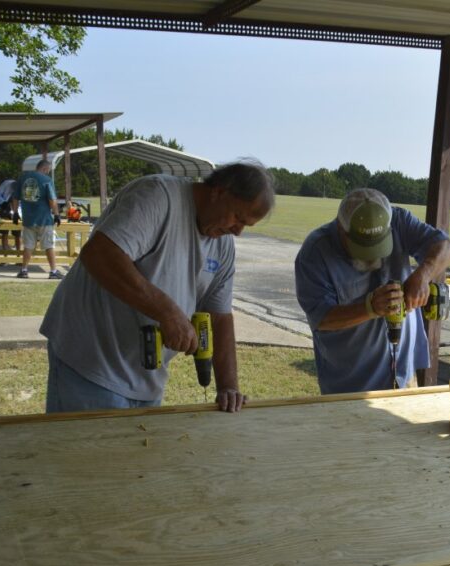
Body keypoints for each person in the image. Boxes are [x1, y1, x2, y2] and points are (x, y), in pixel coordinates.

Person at [39, 159, 275, 414]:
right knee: (90, 442)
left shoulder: (223, 245)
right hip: (90, 363)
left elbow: (219, 316)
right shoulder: (158, 196)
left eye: (246, 225)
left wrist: (228, 386)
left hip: (147, 378)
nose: (238, 232)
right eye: (237, 217)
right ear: (219, 192)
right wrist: (167, 312)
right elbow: (100, 255)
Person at [295, 188, 450, 394]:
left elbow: (446, 246)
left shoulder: (398, 221)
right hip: (350, 387)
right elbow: (322, 319)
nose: (373, 258)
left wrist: (423, 275)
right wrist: (369, 308)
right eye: (363, 248)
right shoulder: (315, 253)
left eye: (378, 246)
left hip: (404, 375)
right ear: (342, 229)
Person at [11, 159, 63, 279]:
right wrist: (56, 214)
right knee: (49, 245)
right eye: (48, 170)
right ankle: (53, 271)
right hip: (44, 219)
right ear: (45, 168)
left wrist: (15, 213)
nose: (48, 172)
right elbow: (52, 200)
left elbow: (15, 197)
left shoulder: (23, 178)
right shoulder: (47, 180)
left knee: (28, 245)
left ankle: (24, 270)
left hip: (28, 219)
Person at [0, 178, 21, 252]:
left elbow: (21, 204)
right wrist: (2, 202)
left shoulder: (21, 189)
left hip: (16, 210)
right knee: (4, 232)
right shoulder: (6, 183)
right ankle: (5, 254)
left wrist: (15, 213)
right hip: (4, 207)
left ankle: (18, 254)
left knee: (17, 234)